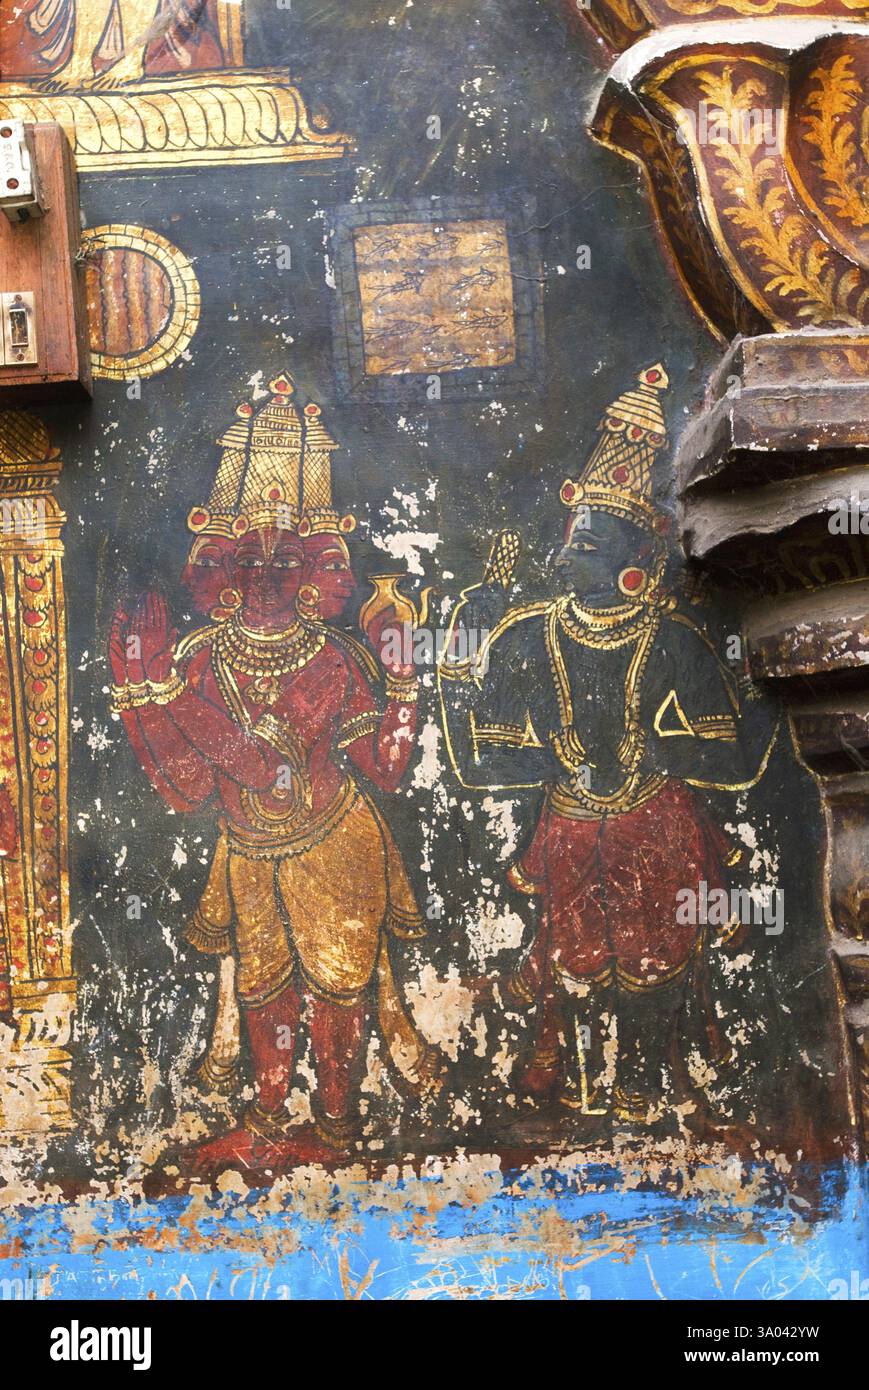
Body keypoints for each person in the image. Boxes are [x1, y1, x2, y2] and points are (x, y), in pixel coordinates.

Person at [439, 365, 777, 1124]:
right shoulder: (525, 636)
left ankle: (644, 1088)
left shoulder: (672, 639)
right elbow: (479, 765)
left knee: (654, 966)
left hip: (655, 825)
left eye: (586, 545)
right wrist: (459, 669)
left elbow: (736, 757)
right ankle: (585, 1096)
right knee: (577, 971)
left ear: (633, 564)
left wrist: (659, 753)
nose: (564, 558)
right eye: (570, 541)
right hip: (566, 829)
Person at [110, 376, 434, 1164]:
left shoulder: (330, 658)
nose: (264, 572)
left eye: (284, 559)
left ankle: (336, 1130)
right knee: (261, 990)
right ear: (220, 566)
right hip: (248, 849)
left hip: (335, 842)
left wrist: (401, 680)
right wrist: (135, 693)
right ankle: (267, 1121)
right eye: (248, 557)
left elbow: (347, 768)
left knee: (336, 989)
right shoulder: (199, 658)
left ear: (313, 569)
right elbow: (187, 787)